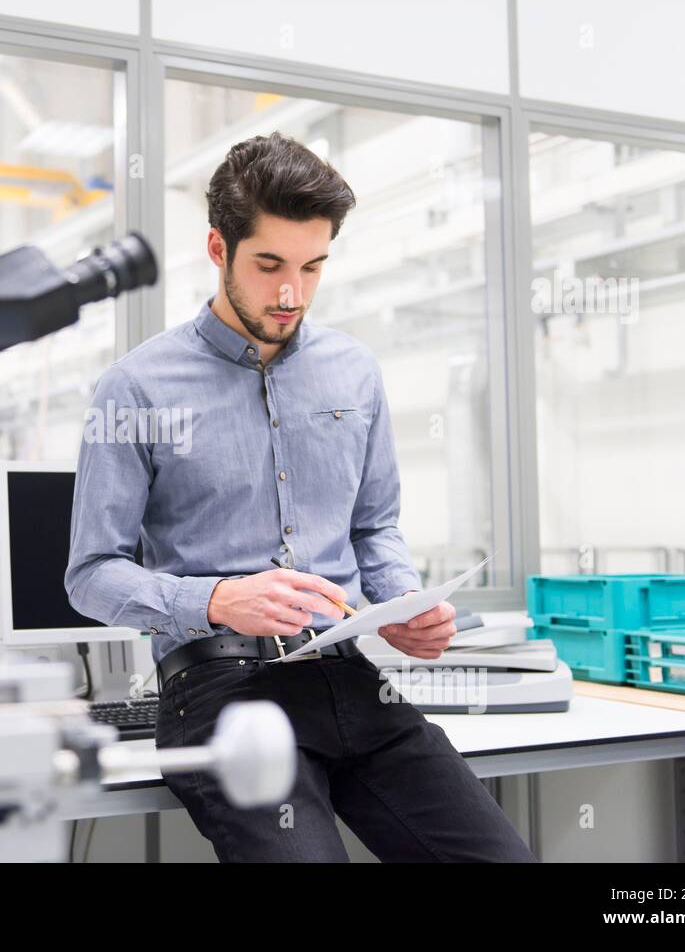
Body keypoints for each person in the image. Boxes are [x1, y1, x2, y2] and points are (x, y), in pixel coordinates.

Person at [65, 131, 535, 862]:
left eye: (314, 266)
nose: (292, 293)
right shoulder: (135, 387)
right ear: (218, 250)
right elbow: (90, 572)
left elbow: (374, 528)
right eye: (270, 265)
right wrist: (216, 599)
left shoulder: (354, 371)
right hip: (222, 689)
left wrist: (404, 606)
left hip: (353, 679)